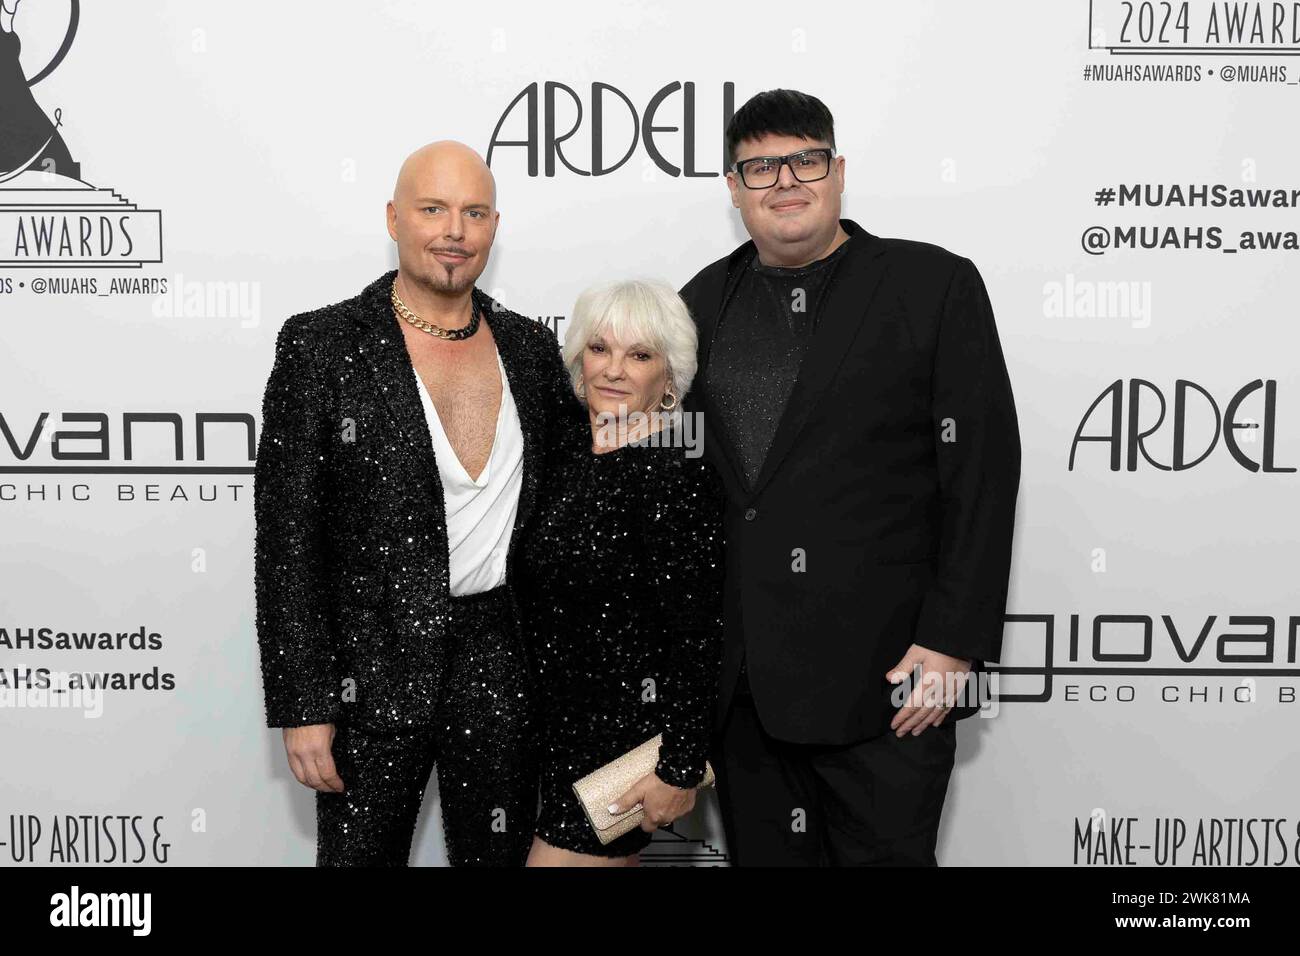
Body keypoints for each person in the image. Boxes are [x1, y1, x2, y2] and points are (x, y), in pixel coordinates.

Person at [677, 89, 1021, 866]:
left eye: (805, 159)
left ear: (837, 172)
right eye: (760, 167)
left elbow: (983, 474)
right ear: (733, 189)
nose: (785, 181)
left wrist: (951, 644)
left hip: (889, 683)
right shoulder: (696, 303)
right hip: (745, 695)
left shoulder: (932, 286)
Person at [253, 140, 583, 866]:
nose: (454, 232)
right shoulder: (322, 345)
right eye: (433, 209)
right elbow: (287, 542)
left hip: (502, 662)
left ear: (495, 225)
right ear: (394, 218)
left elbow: (566, 515)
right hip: (367, 672)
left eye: (473, 212)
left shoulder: (529, 349)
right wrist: (304, 702)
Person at [515, 278, 726, 866]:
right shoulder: (566, 456)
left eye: (639, 355)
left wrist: (680, 766)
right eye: (599, 348)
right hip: (544, 737)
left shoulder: (675, 477)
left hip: (618, 749)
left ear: (670, 379)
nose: (613, 369)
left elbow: (698, 635)